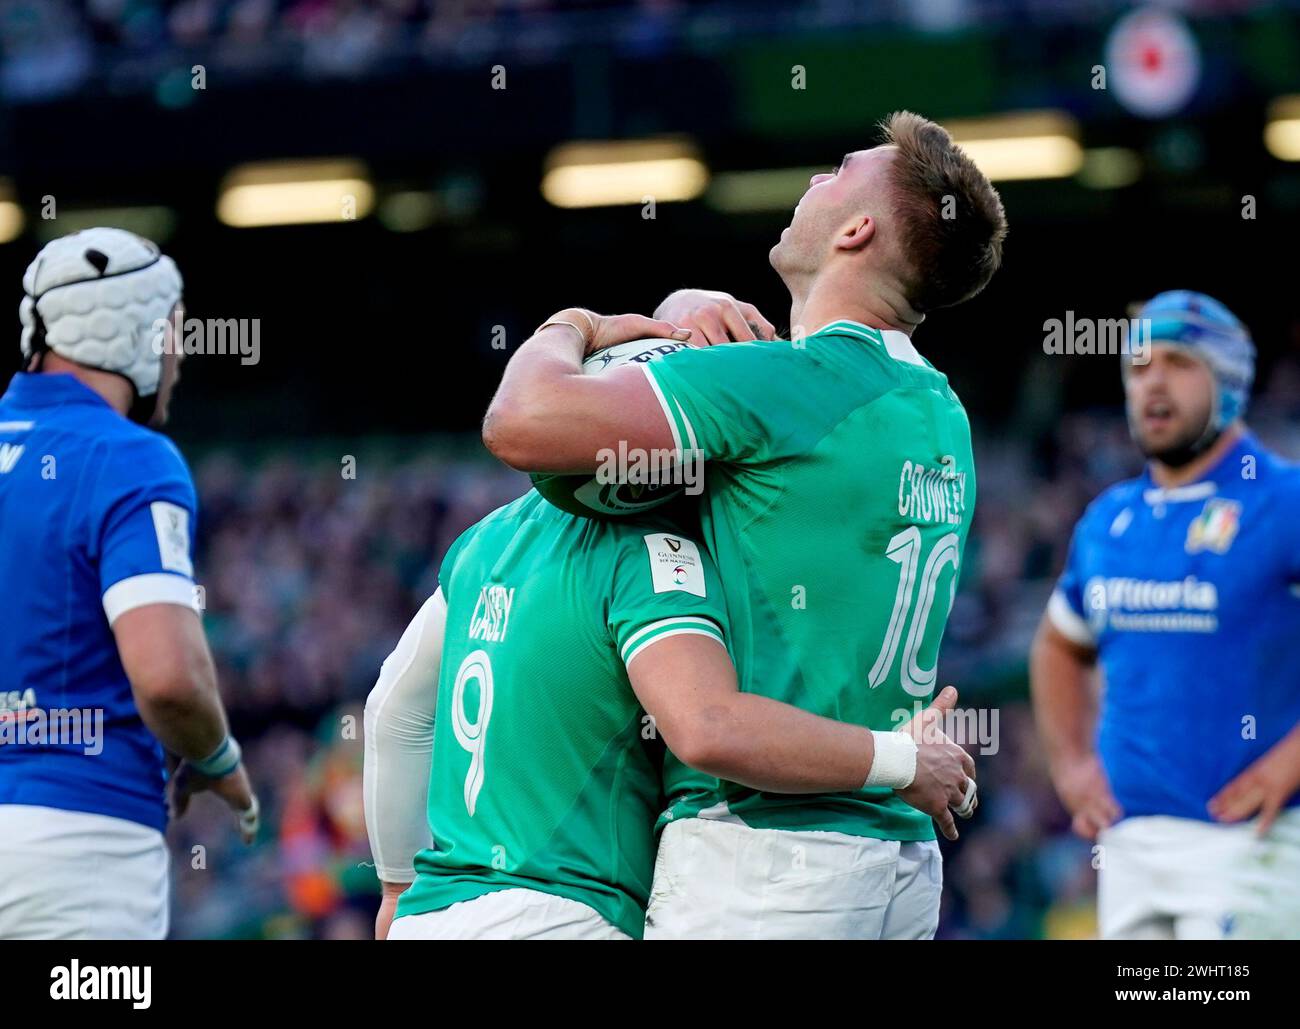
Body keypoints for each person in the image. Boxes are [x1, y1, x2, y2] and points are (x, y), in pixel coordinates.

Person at [479, 110, 1007, 938]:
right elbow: (789, 452)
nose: (811, 181)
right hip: (896, 854)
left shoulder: (788, 388)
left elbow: (521, 423)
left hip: (767, 856)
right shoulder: (939, 411)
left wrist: (574, 326)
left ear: (858, 228)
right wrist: (687, 308)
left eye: (835, 170)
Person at [364, 321, 975, 941]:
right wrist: (900, 758)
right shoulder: (654, 555)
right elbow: (709, 724)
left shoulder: (482, 545)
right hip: (567, 913)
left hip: (435, 915)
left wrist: (393, 884)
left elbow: (391, 711)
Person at [0, 228, 258, 940]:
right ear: (133, 334)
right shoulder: (130, 459)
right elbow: (170, 676)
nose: (177, 356)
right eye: (172, 332)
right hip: (77, 848)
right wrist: (216, 755)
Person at [1031, 290, 1300, 940]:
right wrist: (1070, 766)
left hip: (1254, 845)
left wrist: (1294, 758)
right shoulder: (1109, 519)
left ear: (1229, 378)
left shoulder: (1286, 502)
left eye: (1178, 362)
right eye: (1138, 366)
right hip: (1129, 848)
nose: (1152, 382)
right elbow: (1058, 646)